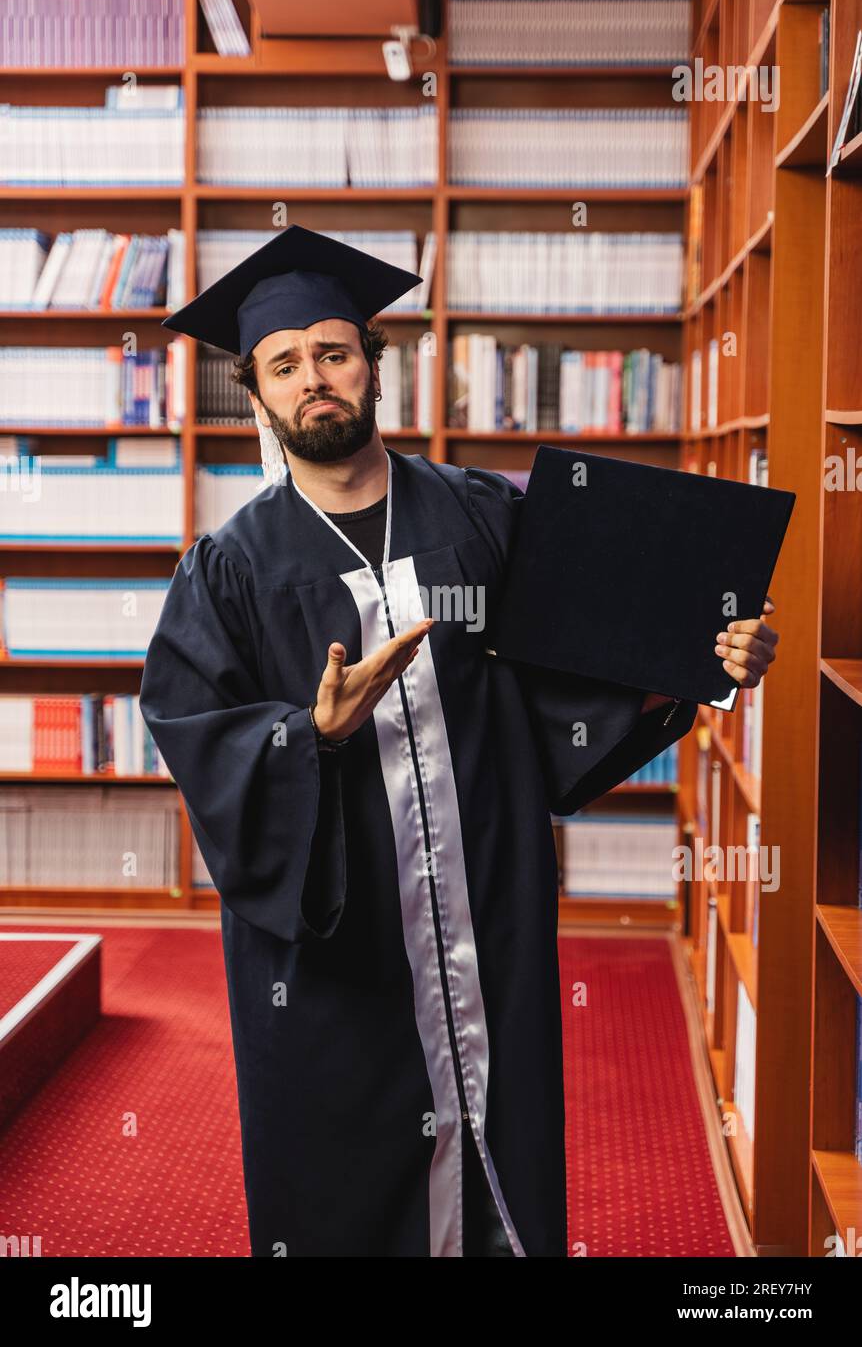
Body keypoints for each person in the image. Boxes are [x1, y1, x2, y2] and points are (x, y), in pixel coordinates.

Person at [139, 225, 779, 1258]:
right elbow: (192, 733)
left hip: (489, 919)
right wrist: (307, 735)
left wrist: (701, 657)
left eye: (334, 352)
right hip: (338, 958)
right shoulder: (227, 571)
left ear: (375, 365)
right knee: (344, 1178)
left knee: (503, 1167)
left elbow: (573, 677)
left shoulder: (483, 516)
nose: (315, 379)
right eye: (286, 363)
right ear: (257, 396)